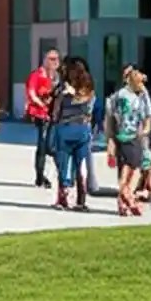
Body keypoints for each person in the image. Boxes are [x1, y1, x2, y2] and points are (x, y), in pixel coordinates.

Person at [106, 64, 151, 217]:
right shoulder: (130, 96)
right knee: (129, 169)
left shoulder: (121, 96)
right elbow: (148, 114)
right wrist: (145, 131)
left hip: (126, 136)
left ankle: (123, 202)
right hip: (130, 136)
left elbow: (110, 119)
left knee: (126, 169)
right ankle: (128, 197)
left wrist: (110, 139)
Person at [52, 63, 95, 212]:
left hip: (65, 129)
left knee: (63, 164)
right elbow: (90, 111)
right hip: (82, 129)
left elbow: (55, 113)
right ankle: (81, 199)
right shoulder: (88, 92)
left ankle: (63, 196)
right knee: (81, 164)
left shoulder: (62, 92)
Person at [24, 49, 61, 189]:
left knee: (51, 146)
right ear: (45, 60)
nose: (55, 62)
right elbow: (32, 93)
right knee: (43, 144)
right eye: (51, 59)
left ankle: (53, 173)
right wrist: (41, 104)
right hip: (41, 114)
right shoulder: (37, 75)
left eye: (56, 59)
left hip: (55, 115)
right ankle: (40, 176)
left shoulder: (58, 77)